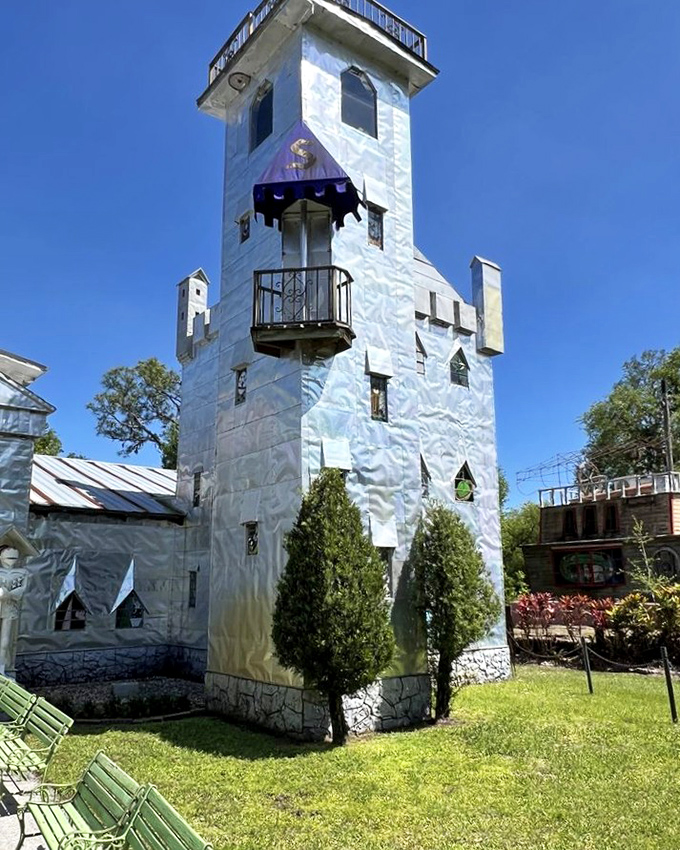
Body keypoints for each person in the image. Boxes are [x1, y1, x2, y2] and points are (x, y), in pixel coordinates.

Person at [0, 546, 28, 676]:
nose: (11, 558)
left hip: (10, 607)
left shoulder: (22, 572)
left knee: (6, 641)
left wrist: (10, 594)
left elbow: (22, 589)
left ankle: (2, 669)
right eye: (7, 554)